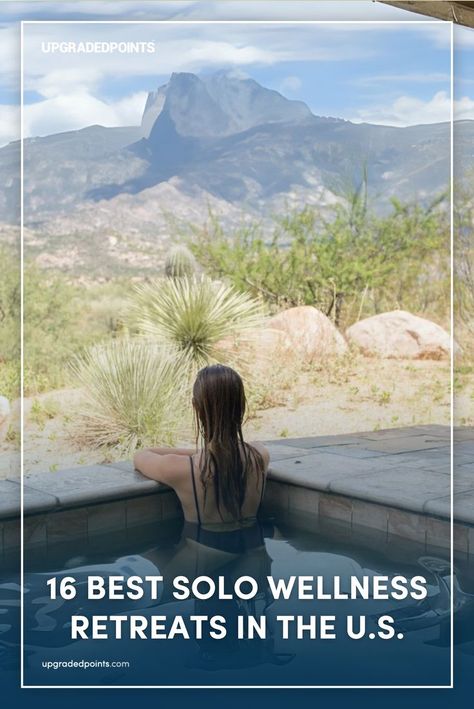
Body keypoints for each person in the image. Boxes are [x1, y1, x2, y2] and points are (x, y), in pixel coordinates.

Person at [133, 363, 270, 530]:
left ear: (196, 406)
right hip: (255, 551)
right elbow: (225, 454)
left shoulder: (179, 468)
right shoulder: (260, 455)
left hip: (205, 552)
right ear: (241, 405)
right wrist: (214, 451)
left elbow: (140, 455)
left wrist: (205, 452)